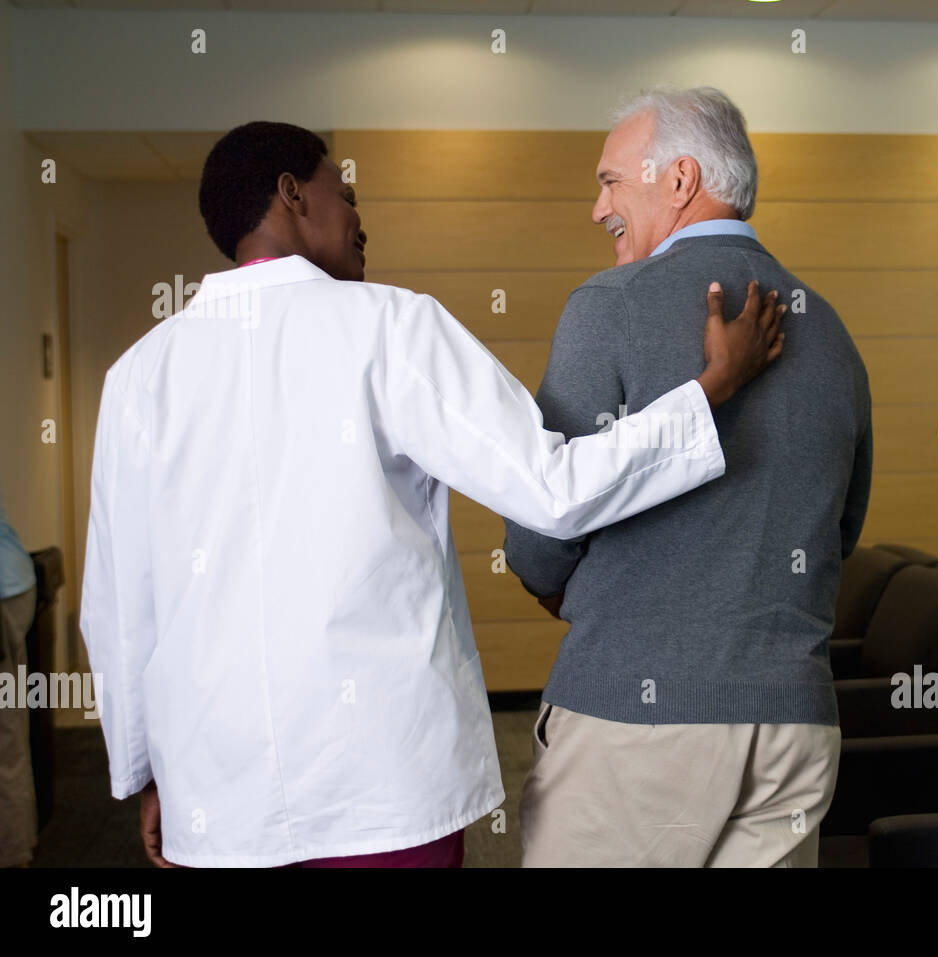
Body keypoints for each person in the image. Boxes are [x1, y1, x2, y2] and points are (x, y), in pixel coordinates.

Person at [80, 120, 784, 868]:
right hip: (382, 788)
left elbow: (121, 605)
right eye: (343, 194)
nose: (359, 219)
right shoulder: (390, 326)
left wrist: (145, 772)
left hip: (216, 790)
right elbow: (552, 488)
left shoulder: (138, 377)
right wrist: (709, 393)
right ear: (292, 195)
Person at [504, 86, 873, 867]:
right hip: (794, 725)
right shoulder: (833, 329)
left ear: (678, 180)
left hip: (638, 726)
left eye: (609, 180)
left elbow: (540, 527)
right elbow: (840, 529)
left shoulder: (609, 306)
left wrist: (568, 588)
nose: (596, 206)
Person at [0, 481, 38, 867]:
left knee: (4, 733)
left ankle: (12, 854)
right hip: (12, 585)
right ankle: (18, 844)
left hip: (3, 595)